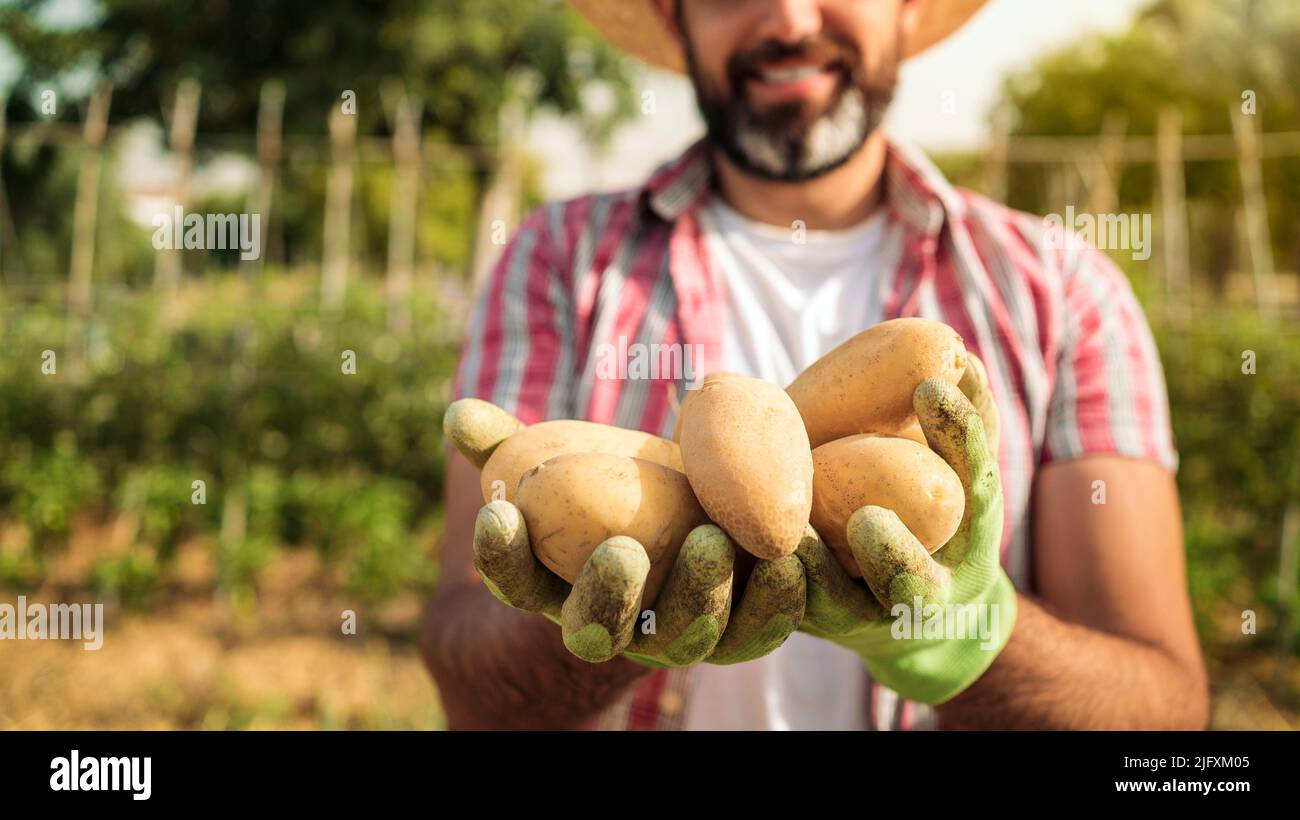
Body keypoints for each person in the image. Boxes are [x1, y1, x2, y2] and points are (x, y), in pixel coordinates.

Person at [421, 0, 1209, 730]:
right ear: (675, 12)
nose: (791, 19)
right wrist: (598, 636)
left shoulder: (1062, 292)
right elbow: (470, 693)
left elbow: (1166, 724)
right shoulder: (558, 262)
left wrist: (960, 642)